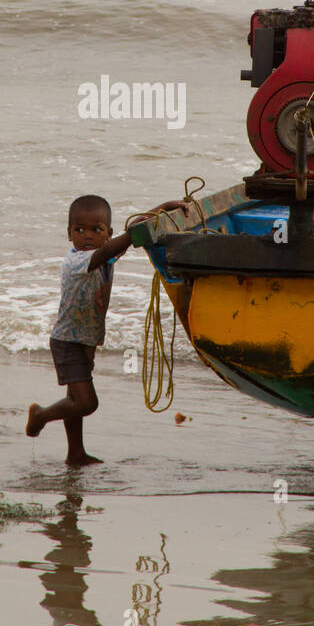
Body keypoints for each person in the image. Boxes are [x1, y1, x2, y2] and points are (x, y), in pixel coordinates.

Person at [26, 193, 185, 465]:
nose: (86, 236)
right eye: (79, 229)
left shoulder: (104, 255)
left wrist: (163, 209)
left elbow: (119, 241)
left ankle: (75, 453)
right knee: (87, 403)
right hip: (67, 342)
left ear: (107, 233)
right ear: (69, 234)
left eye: (96, 230)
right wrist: (134, 234)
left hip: (85, 339)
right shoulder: (78, 261)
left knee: (75, 399)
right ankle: (40, 415)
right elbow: (112, 247)